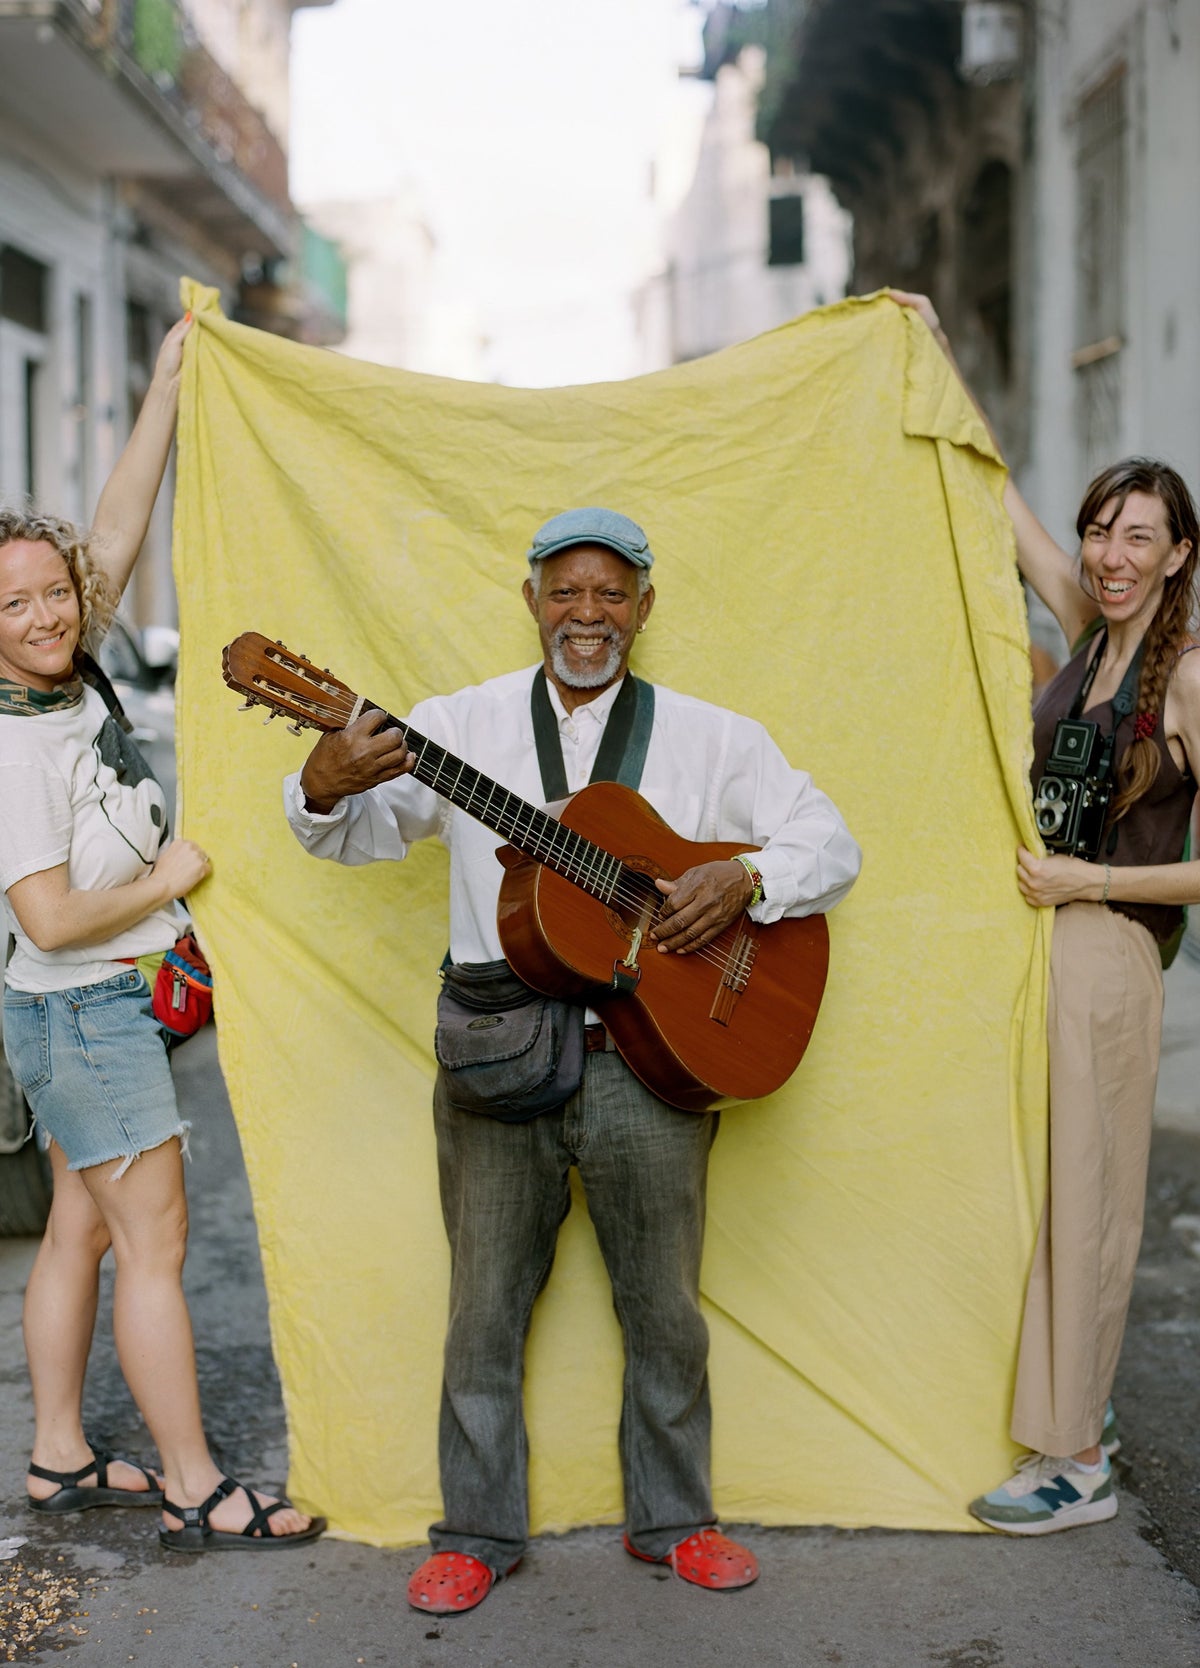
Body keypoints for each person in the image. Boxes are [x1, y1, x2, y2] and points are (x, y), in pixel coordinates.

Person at [284, 506, 861, 1611]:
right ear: (531, 600)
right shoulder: (456, 728)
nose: (585, 612)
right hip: (500, 1051)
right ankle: (476, 1531)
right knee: (482, 1309)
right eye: (565, 590)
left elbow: (829, 842)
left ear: (644, 606)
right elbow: (354, 833)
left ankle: (676, 1520)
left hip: (655, 1056)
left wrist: (746, 879)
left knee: (666, 1309)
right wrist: (321, 781)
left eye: (609, 592)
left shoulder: (714, 737)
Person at [0, 315, 323, 1553]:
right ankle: (196, 1483)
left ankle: (58, 1455)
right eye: (17, 603)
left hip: (73, 1009)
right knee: (154, 1244)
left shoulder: (64, 679)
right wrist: (168, 880)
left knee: (80, 1228)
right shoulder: (17, 745)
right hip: (83, 1006)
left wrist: (167, 387)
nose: (47, 615)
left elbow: (117, 529)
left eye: (56, 592)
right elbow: (46, 914)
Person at [891, 290, 1200, 1534]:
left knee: (1089, 1200)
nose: (1111, 554)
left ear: (1180, 553)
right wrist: (936, 356)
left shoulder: (1187, 674)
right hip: (1045, 951)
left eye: (1139, 536)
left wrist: (1091, 884)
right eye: (1100, 531)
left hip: (1108, 953)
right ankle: (1080, 1413)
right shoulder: (1091, 638)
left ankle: (1073, 1460)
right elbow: (997, 502)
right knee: (1038, 1192)